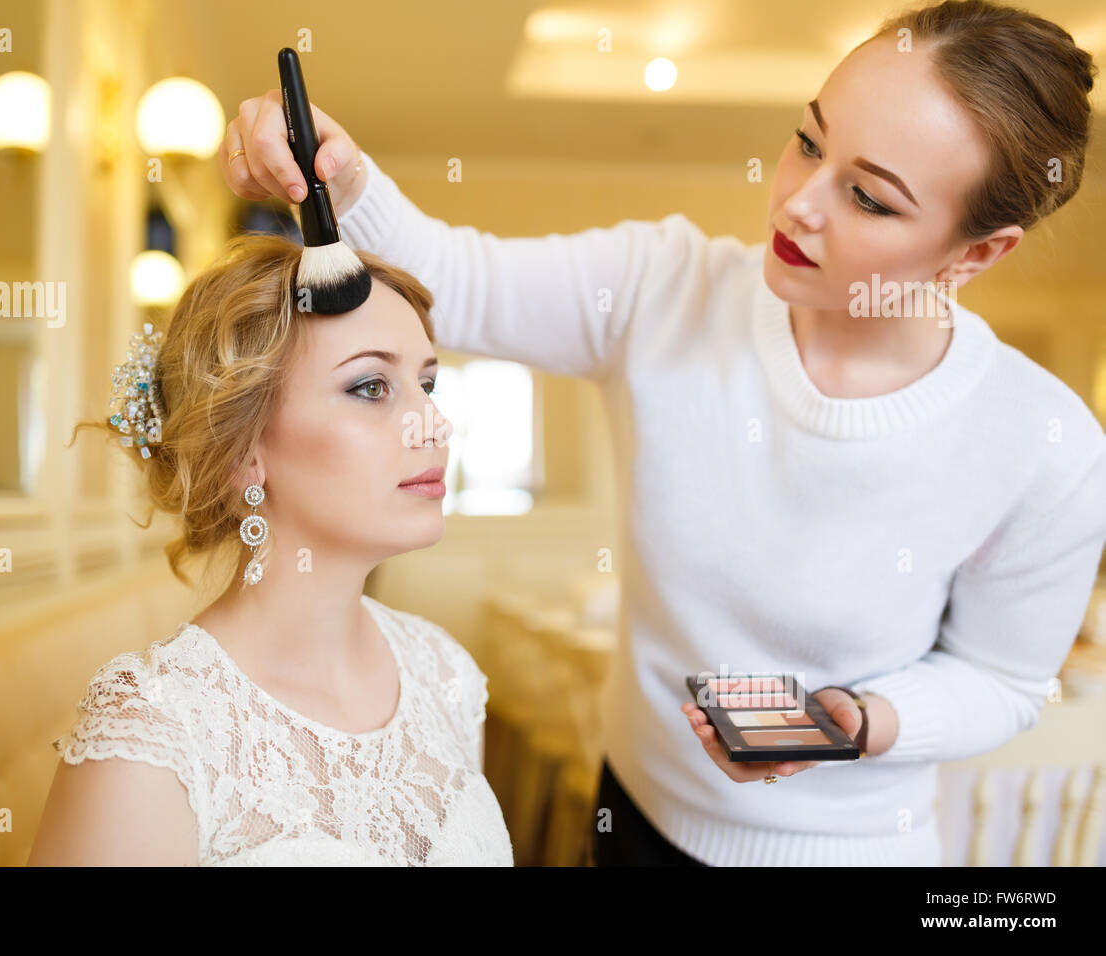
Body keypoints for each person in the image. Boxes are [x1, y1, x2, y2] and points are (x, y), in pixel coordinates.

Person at [221, 0, 1106, 866]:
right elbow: (453, 276)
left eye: (868, 198)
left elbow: (1006, 682)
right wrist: (344, 180)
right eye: (808, 140)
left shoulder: (1043, 444)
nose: (799, 203)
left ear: (977, 253)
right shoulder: (662, 289)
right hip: (634, 816)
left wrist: (863, 720)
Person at [28, 233, 513, 866]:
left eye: (427, 384)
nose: (435, 424)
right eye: (371, 387)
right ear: (244, 452)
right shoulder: (151, 735)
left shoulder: (444, 674)